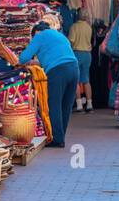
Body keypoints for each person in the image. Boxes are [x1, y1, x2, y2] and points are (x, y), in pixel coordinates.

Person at [18, 20, 80, 148]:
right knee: (66, 106)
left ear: (36, 32)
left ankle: (57, 139)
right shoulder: (58, 34)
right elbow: (53, 56)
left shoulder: (39, 36)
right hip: (74, 68)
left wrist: (26, 59)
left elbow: (23, 58)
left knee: (54, 104)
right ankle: (60, 136)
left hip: (58, 72)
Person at [68, 15, 94, 112]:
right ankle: (89, 104)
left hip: (77, 53)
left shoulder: (74, 27)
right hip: (87, 54)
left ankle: (79, 105)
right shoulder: (88, 27)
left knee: (76, 81)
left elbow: (71, 40)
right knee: (86, 80)